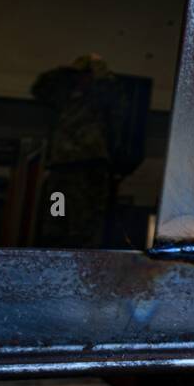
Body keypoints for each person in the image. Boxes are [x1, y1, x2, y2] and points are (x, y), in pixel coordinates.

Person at [32, 54, 120, 248]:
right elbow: (39, 89)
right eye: (78, 74)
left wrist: (98, 71)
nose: (81, 78)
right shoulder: (64, 98)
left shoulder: (100, 99)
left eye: (85, 74)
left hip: (88, 168)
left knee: (83, 226)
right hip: (61, 169)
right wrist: (63, 71)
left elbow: (112, 91)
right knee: (56, 219)